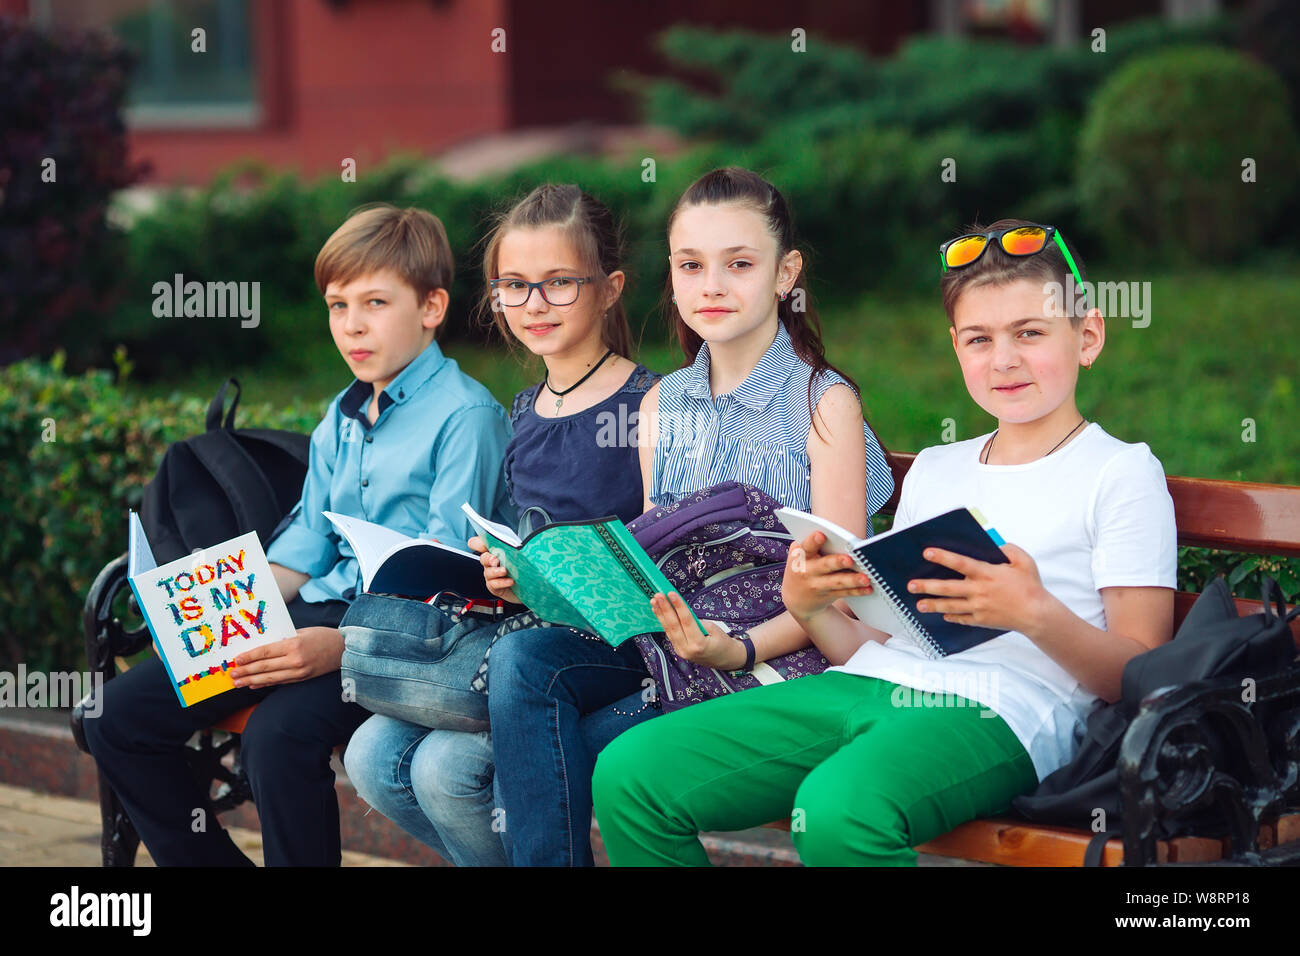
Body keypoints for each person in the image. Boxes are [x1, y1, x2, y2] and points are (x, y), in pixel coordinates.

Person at [591, 219, 1178, 866]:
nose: (1004, 359)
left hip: (1005, 712)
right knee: (632, 774)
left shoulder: (1119, 472)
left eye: (1030, 333)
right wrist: (812, 605)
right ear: (957, 347)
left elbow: (1140, 676)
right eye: (980, 339)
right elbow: (876, 644)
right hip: (871, 684)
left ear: (1088, 336)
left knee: (841, 810)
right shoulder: (937, 468)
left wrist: (1033, 613)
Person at [83, 203, 514, 866]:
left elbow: (447, 581)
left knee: (278, 740)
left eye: (375, 302)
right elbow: (309, 538)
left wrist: (337, 646)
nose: (352, 325)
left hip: (401, 640)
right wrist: (219, 602)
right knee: (115, 718)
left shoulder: (466, 417)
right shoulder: (341, 413)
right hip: (311, 611)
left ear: (431, 308)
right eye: (338, 306)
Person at [488, 166, 894, 865]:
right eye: (690, 265)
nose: (711, 285)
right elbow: (657, 567)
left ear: (784, 272)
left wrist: (730, 647)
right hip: (678, 653)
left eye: (739, 264)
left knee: (579, 757)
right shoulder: (661, 405)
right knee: (523, 659)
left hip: (783, 662)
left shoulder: (824, 405)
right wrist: (545, 579)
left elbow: (844, 599)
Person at [342, 184, 659, 866]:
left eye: (558, 284)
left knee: (447, 770)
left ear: (609, 289)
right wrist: (506, 573)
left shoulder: (650, 404)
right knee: (372, 755)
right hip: (522, 640)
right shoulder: (525, 408)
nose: (534, 305)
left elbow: (661, 557)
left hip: (616, 650)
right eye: (513, 286)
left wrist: (557, 580)